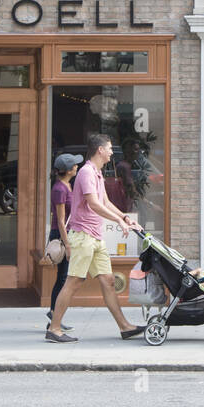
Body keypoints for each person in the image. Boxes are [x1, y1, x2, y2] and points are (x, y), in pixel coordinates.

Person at [46, 134, 144, 343]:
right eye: (109, 148)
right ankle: (54, 329)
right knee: (73, 281)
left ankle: (125, 327)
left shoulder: (97, 173)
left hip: (95, 237)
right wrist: (118, 223)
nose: (111, 151)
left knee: (108, 281)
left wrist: (124, 217)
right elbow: (93, 204)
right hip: (83, 236)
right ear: (100, 150)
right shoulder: (86, 172)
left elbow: (105, 201)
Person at [46, 154, 79, 331]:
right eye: (74, 165)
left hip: (67, 234)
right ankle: (53, 313)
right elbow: (60, 220)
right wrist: (67, 245)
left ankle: (53, 315)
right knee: (63, 277)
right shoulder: (60, 189)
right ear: (67, 170)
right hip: (60, 235)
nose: (77, 166)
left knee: (63, 277)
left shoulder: (67, 185)